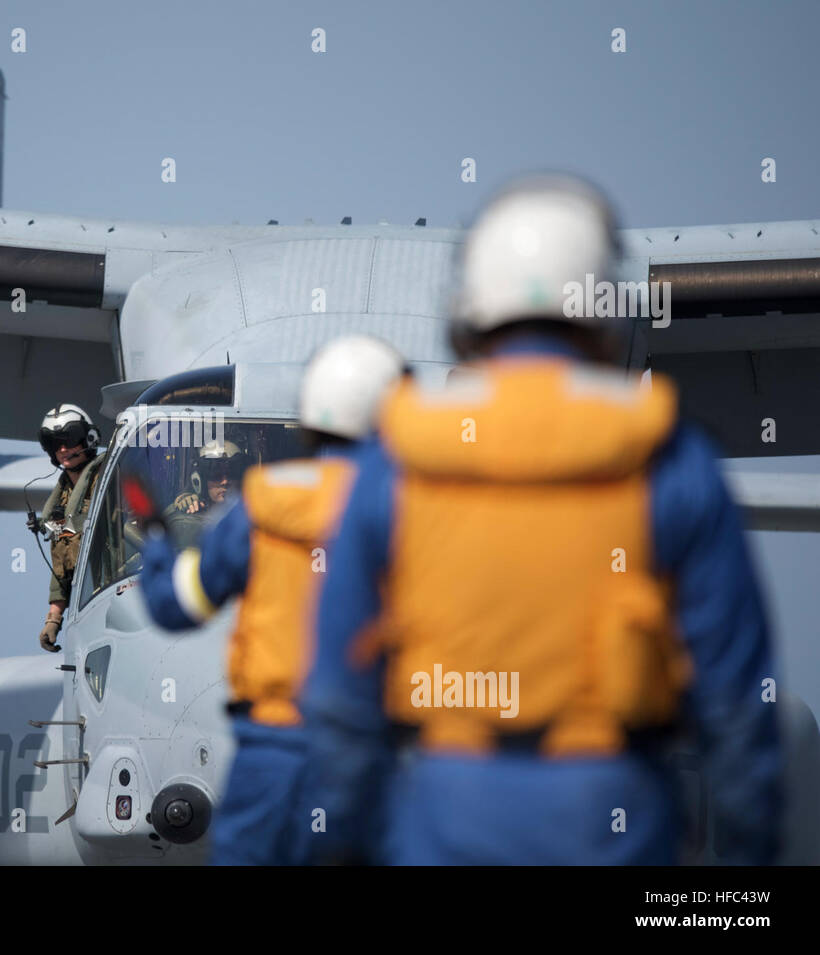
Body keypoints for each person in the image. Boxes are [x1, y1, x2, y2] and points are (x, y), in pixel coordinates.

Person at [305, 175, 781, 865]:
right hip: (612, 815)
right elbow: (737, 696)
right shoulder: (669, 455)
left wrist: (341, 838)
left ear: (470, 310)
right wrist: (744, 866)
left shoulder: (399, 458)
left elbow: (342, 690)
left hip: (446, 810)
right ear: (602, 306)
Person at [139, 337, 404, 864]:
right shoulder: (419, 508)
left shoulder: (261, 506)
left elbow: (178, 607)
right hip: (378, 751)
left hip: (275, 747)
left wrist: (155, 543)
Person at [32, 404, 106, 653]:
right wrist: (53, 619)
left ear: (89, 438)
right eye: (55, 443)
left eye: (70, 440)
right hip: (86, 603)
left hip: (114, 594)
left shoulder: (109, 479)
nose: (62, 449)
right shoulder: (62, 499)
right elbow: (62, 563)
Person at [163, 439, 249, 546]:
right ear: (201, 480)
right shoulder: (186, 516)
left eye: (232, 473)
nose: (225, 482)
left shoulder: (254, 514)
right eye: (216, 475)